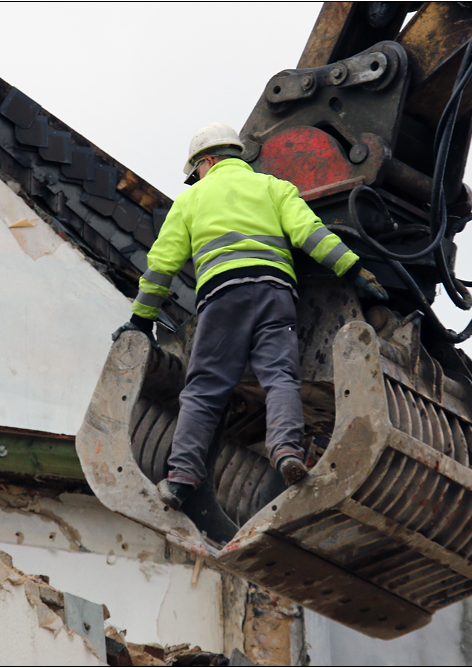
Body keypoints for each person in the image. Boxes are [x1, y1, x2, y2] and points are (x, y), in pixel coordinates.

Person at [112, 123, 387, 510]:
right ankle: (287, 453)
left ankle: (182, 480)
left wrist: (141, 320)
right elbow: (309, 232)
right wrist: (352, 268)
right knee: (280, 377)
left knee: (204, 389)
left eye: (196, 172)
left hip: (224, 298)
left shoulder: (191, 201)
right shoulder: (272, 187)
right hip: (276, 294)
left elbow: (161, 266)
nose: (197, 179)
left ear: (207, 161)